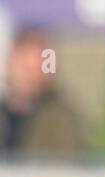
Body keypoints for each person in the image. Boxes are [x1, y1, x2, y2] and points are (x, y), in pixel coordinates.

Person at [0, 28, 85, 159]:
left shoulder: (59, 120)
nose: (27, 74)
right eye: (22, 62)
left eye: (33, 67)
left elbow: (64, 167)